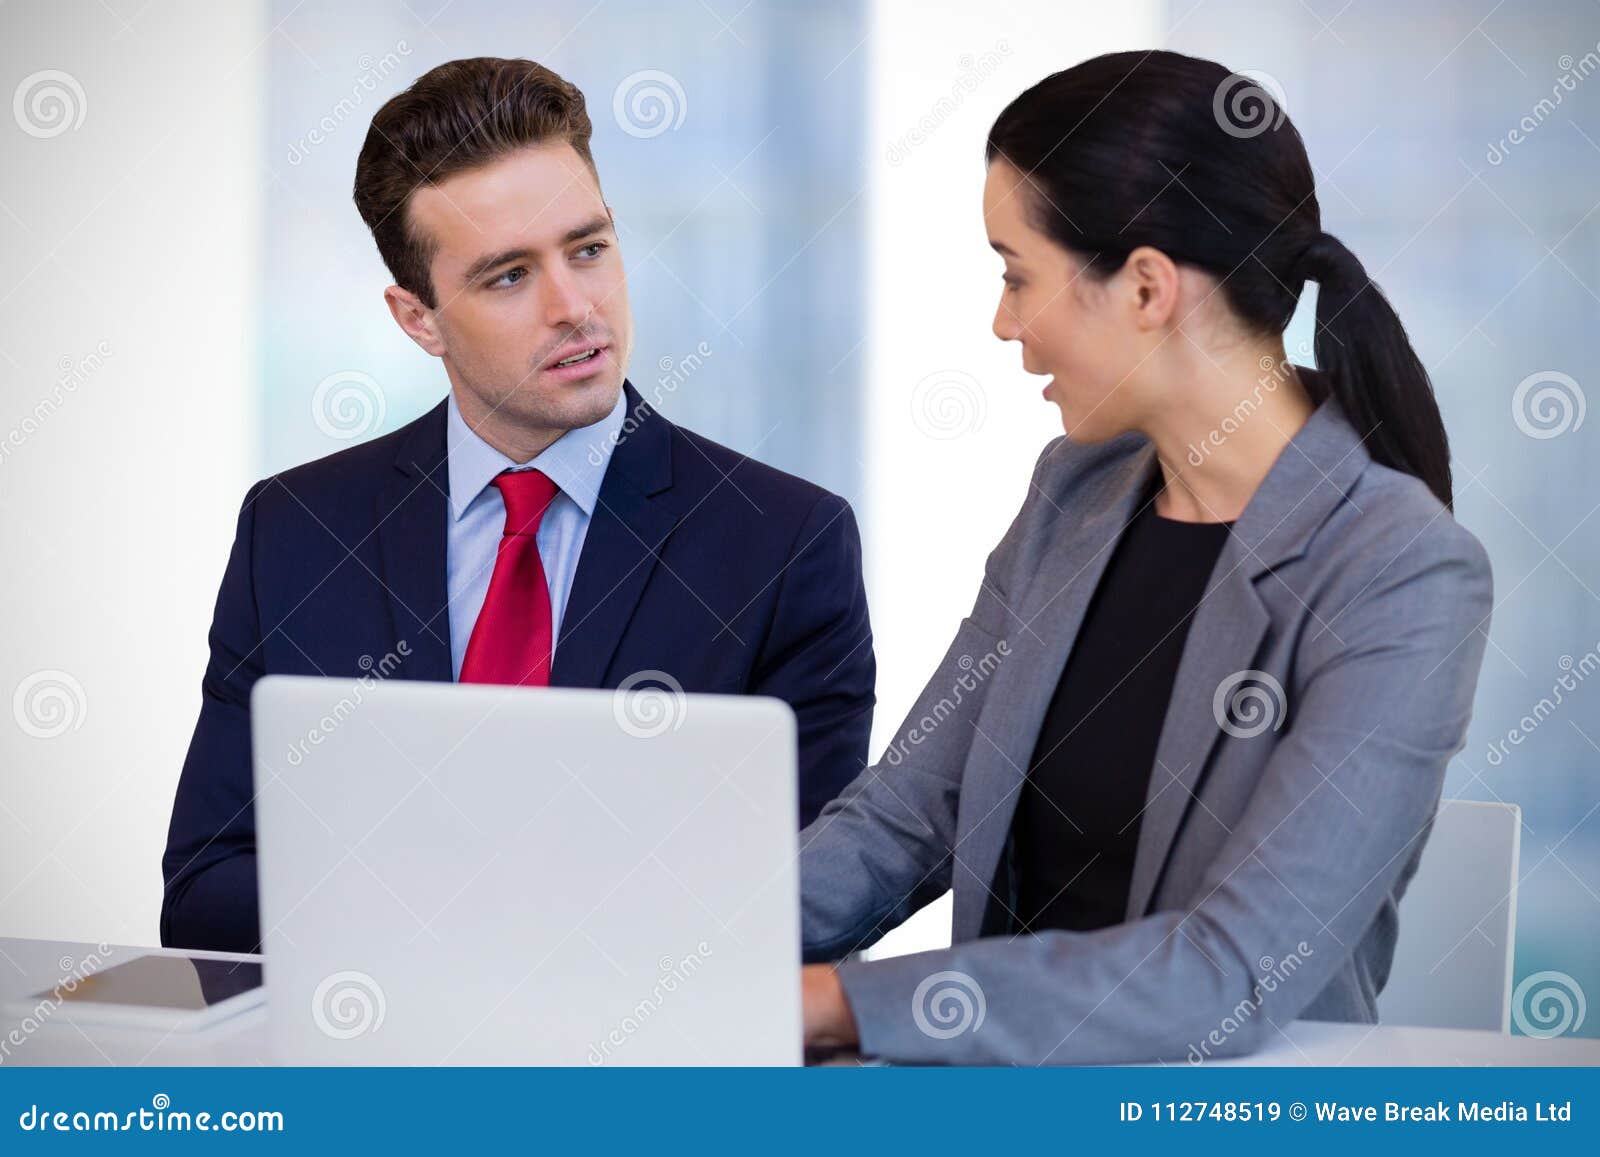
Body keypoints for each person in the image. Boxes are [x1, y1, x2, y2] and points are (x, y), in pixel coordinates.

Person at [797, 50, 1492, 1065]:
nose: (1005, 324)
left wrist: (841, 1003)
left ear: (1146, 287)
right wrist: (691, 952)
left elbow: (1227, 970)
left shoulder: (1402, 572)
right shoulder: (1071, 495)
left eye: (1015, 273)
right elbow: (907, 816)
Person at [161, 58, 875, 954]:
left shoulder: (784, 544)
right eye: (508, 276)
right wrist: (487, 912)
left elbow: (808, 915)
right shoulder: (296, 531)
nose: (575, 306)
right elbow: (206, 889)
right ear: (418, 318)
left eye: (589, 248)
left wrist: (406, 893)